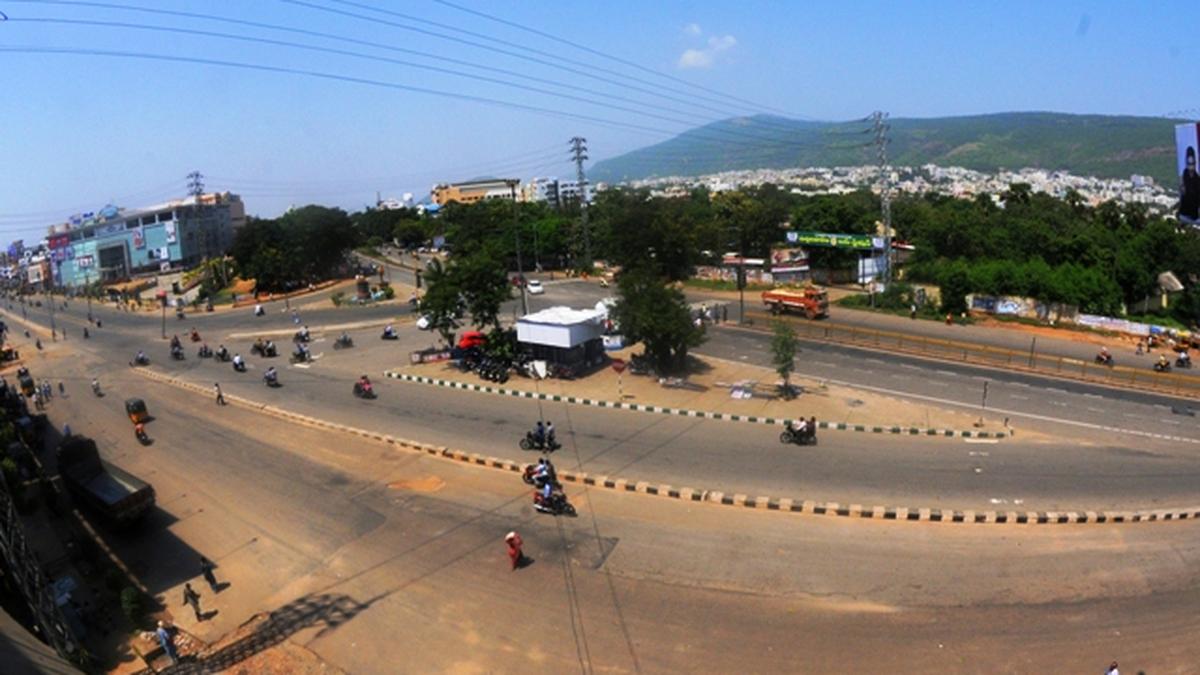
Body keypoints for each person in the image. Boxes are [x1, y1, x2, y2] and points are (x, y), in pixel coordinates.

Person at [1180, 146, 1200, 225]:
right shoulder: (1184, 175)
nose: (1191, 166)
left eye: (1193, 164)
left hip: (1194, 215)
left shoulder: (1197, 179)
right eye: (1189, 164)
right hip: (1185, 214)